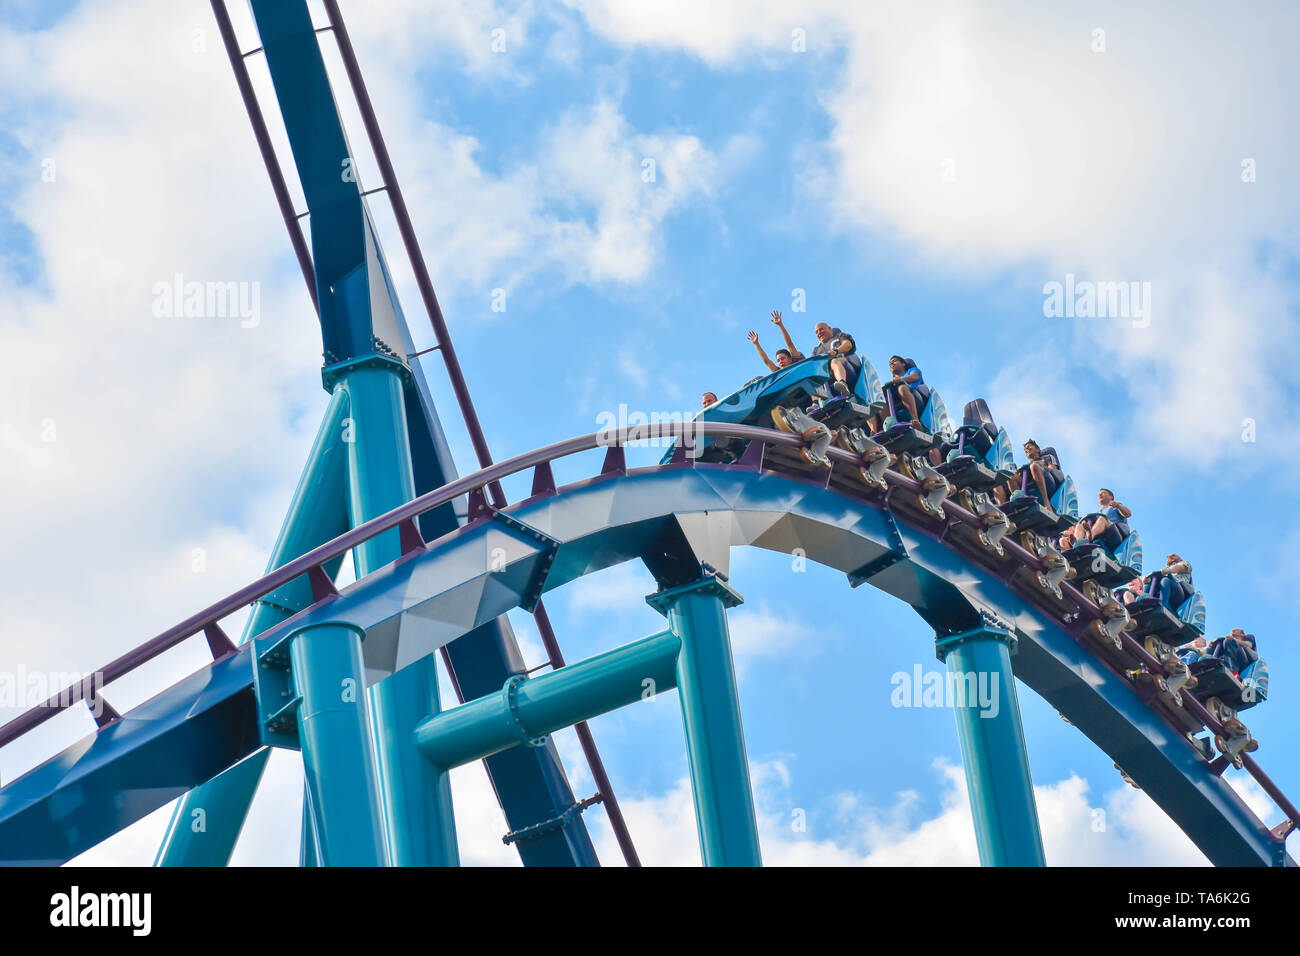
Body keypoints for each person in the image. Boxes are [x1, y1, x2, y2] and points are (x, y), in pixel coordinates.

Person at [995, 439, 1061, 510]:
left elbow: (1052, 470)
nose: (1026, 449)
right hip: (1029, 486)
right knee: (1010, 475)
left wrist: (1039, 464)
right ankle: (1019, 503)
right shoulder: (1026, 465)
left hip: (1048, 483)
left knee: (1034, 466)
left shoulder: (1047, 457)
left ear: (1038, 450)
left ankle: (1046, 503)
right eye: (1025, 450)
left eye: (1029, 446)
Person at [1063, 488, 1132, 551]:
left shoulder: (1115, 507)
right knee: (1079, 525)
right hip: (1098, 534)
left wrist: (1118, 506)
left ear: (1111, 497)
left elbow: (1128, 514)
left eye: (1104, 493)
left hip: (1116, 536)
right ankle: (1077, 544)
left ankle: (1088, 538)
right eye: (1099, 494)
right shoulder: (1097, 513)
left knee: (1102, 518)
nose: (1100, 494)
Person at [810, 322, 861, 397]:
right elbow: (811, 362)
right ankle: (816, 402)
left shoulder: (839, 336)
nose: (819, 333)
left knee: (834, 361)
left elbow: (848, 345)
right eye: (816, 332)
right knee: (811, 378)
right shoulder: (816, 350)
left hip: (846, 368)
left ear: (830, 329)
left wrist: (836, 352)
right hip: (826, 375)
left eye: (821, 329)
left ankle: (842, 383)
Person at [881, 355, 927, 426]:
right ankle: (890, 425)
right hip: (897, 404)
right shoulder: (893, 382)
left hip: (916, 399)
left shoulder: (911, 370)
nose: (891, 364)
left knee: (902, 388)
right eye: (890, 364)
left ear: (903, 364)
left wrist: (901, 380)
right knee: (880, 400)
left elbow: (915, 376)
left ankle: (916, 421)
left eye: (894, 361)